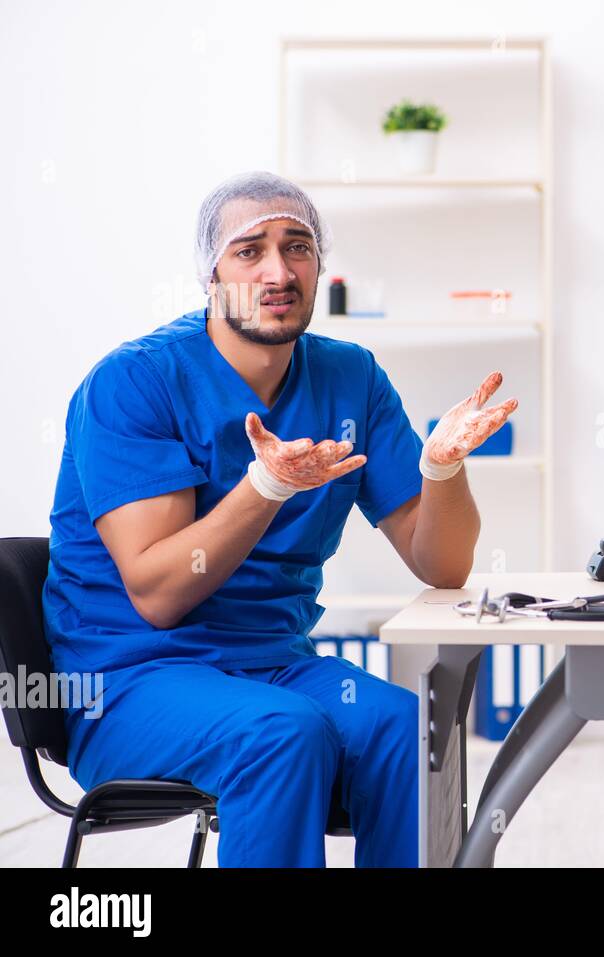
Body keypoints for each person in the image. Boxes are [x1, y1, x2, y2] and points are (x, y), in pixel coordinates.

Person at [43, 171, 516, 867]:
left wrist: (440, 469)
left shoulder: (351, 377)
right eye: (249, 250)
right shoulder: (136, 381)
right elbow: (160, 592)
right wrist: (265, 485)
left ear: (321, 266)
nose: (278, 269)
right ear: (209, 274)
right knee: (283, 733)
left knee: (413, 732)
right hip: (128, 680)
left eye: (298, 247)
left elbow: (441, 565)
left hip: (274, 665)